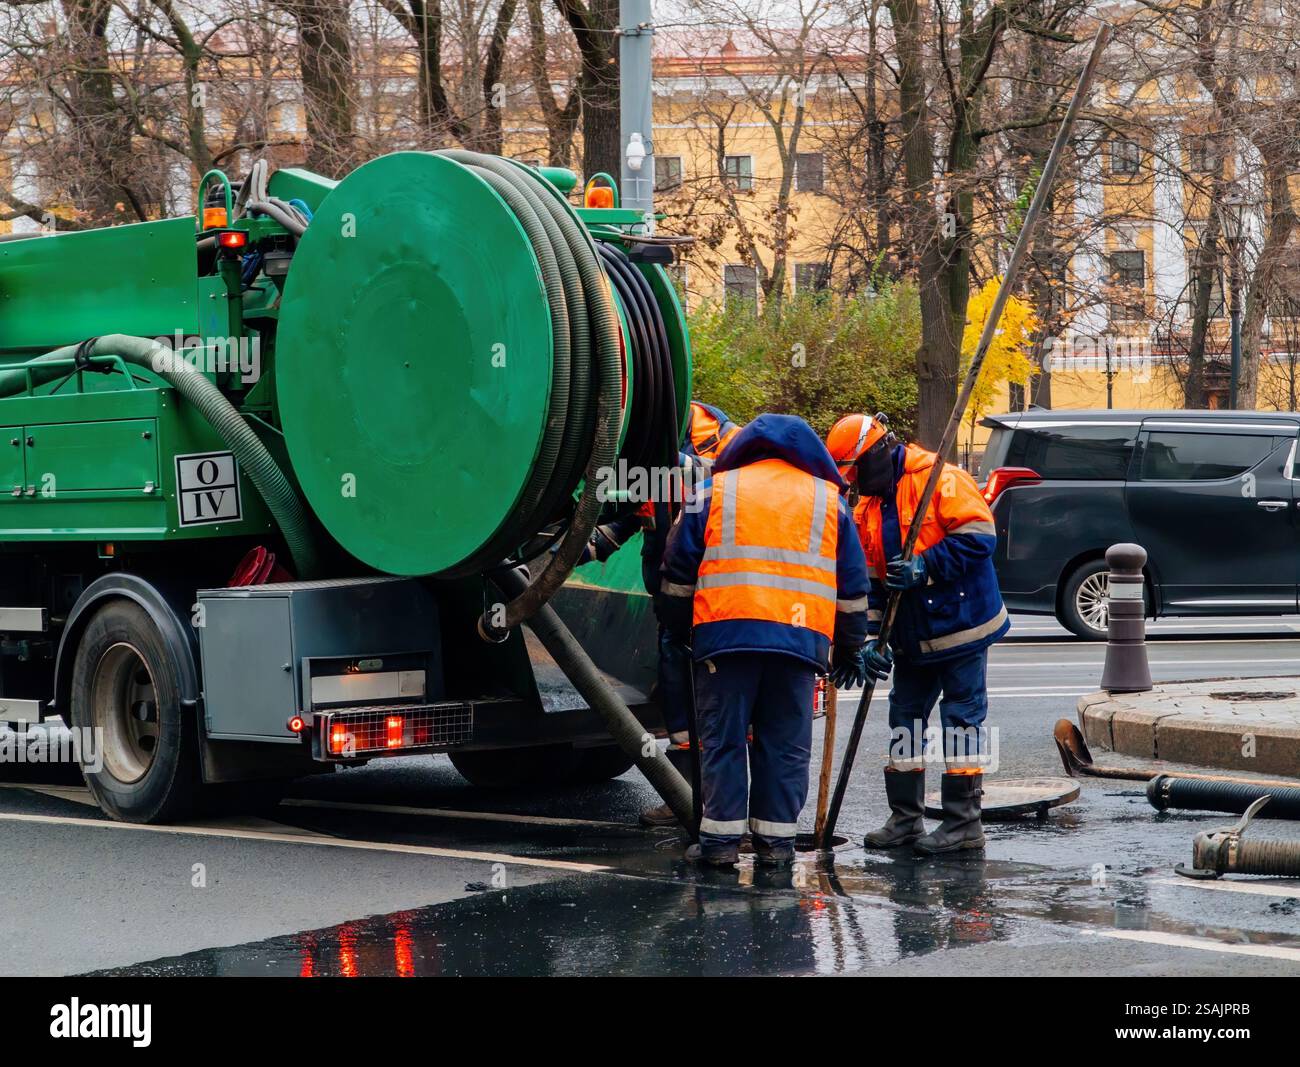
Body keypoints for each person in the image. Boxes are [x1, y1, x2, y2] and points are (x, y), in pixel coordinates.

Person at [659, 414, 870, 868]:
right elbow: (852, 589)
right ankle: (776, 846)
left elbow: (677, 575)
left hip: (724, 640)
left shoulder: (713, 494)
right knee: (785, 744)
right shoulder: (828, 501)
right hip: (798, 646)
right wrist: (852, 648)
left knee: (724, 741)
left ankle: (719, 846)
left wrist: (678, 631)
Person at [825, 413, 1009, 855]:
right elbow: (870, 582)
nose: (852, 482)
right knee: (904, 718)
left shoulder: (939, 479)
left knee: (961, 721)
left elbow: (980, 536)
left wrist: (926, 566)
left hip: (961, 626)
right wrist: (870, 639)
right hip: (910, 637)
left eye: (854, 470)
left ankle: (964, 823)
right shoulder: (867, 508)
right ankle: (905, 819)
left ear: (876, 455)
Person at [577, 401, 743, 826]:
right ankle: (685, 798)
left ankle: (734, 809)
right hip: (671, 606)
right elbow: (636, 515)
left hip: (716, 608)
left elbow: (731, 488)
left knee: (722, 704)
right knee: (680, 709)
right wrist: (578, 548)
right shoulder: (650, 453)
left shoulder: (728, 443)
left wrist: (678, 464)